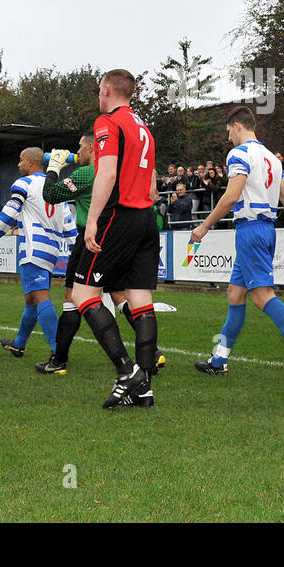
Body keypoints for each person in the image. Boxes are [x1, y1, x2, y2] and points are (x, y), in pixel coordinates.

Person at [191, 106, 284, 383]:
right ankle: (219, 360)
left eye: (228, 131)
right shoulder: (272, 159)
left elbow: (230, 196)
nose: (228, 138)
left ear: (238, 127)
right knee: (235, 295)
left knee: (263, 296)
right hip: (265, 229)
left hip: (250, 230)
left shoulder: (239, 154)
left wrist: (204, 226)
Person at [67, 70, 161, 409]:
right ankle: (144, 389)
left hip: (119, 216)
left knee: (83, 293)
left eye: (99, 90)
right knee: (140, 300)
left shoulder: (108, 122)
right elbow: (152, 184)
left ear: (107, 89)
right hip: (147, 218)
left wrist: (92, 220)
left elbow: (105, 172)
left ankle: (127, 371)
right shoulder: (143, 126)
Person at [0, 147, 77, 360]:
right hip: (52, 250)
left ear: (31, 162)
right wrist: (76, 249)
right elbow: (69, 224)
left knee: (41, 297)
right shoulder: (56, 187)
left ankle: (59, 352)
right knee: (31, 298)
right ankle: (19, 344)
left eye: (20, 161)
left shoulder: (23, 184)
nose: (18, 165)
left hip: (33, 249)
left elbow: (7, 216)